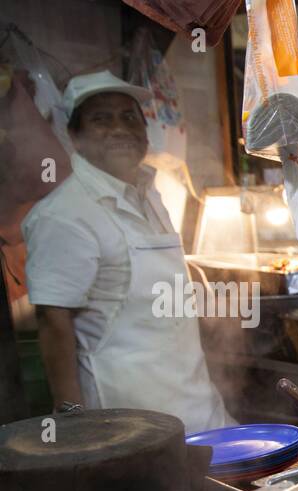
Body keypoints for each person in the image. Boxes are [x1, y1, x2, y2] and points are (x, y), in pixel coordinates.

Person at [21, 71, 232, 432]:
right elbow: (53, 321)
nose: (120, 129)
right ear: (75, 136)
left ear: (145, 132)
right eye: (101, 119)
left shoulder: (151, 193)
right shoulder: (64, 214)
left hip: (199, 406)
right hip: (131, 427)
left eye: (129, 117)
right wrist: (74, 426)